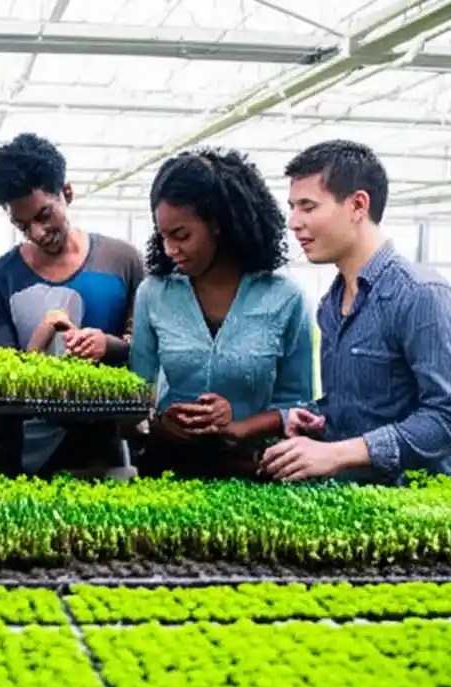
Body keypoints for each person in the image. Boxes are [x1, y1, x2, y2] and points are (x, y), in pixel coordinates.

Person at [261, 139, 451, 484]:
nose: (293, 222)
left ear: (358, 205)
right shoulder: (332, 303)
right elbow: (358, 406)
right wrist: (313, 421)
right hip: (357, 507)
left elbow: (450, 420)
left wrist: (336, 454)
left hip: (419, 513)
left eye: (308, 206)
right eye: (292, 207)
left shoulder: (421, 295)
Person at [130, 148, 314, 479]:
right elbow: (136, 397)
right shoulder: (154, 293)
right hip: (169, 471)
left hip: (249, 472)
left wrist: (242, 427)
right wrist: (159, 423)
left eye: (182, 235)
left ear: (219, 224)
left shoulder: (285, 298)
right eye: (163, 236)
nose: (171, 250)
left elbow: (299, 405)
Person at [0, 132, 145, 477]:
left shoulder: (121, 262)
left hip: (101, 453)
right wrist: (43, 334)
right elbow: (0, 385)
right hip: (19, 459)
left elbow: (146, 352)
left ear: (67, 193)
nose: (36, 232)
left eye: (44, 215)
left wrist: (106, 345)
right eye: (21, 225)